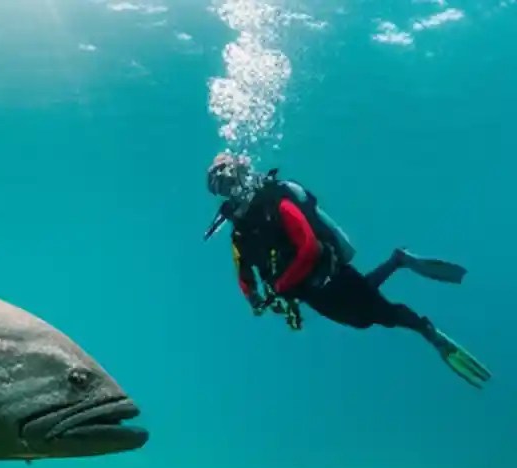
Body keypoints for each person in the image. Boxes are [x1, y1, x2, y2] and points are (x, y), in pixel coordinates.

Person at [203, 151, 490, 389]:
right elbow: (243, 273)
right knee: (361, 318)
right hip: (308, 291)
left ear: (243, 175)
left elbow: (310, 247)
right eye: (220, 188)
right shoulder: (239, 232)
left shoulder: (277, 203)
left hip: (329, 274)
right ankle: (397, 261)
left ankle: (428, 331)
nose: (229, 191)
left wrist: (281, 286)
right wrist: (254, 297)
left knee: (382, 314)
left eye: (230, 182)